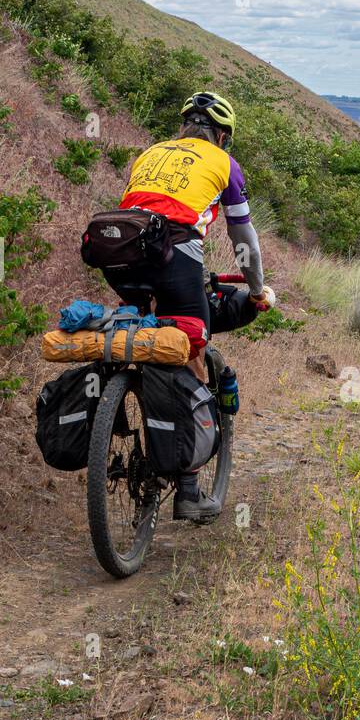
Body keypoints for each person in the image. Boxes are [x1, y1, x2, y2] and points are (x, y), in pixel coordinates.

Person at [108, 91, 268, 520]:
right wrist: (256, 289)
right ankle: (189, 491)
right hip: (174, 255)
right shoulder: (224, 163)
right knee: (192, 348)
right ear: (221, 135)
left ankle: (125, 405)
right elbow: (244, 240)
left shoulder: (149, 154)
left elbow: (146, 211)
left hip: (117, 254)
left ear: (183, 127)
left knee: (145, 328)